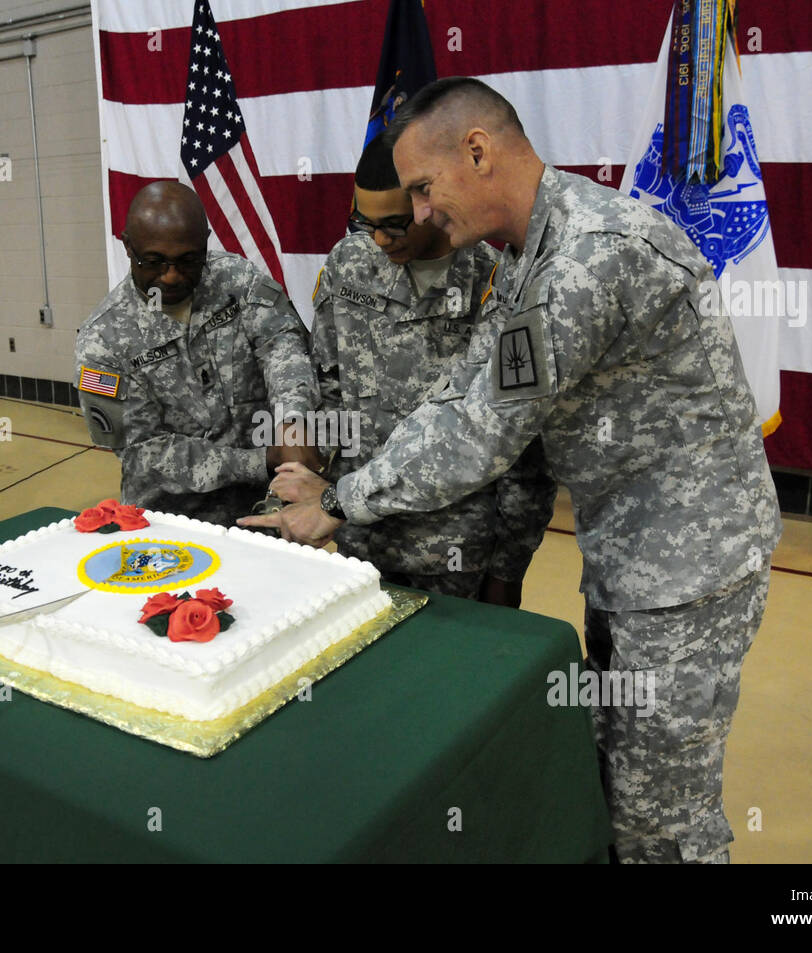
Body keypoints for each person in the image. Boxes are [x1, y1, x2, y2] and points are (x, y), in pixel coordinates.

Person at [241, 78, 782, 864]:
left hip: (686, 574)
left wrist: (342, 501)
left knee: (664, 825)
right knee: (615, 778)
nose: (418, 212)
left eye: (424, 188)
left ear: (478, 150)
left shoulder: (589, 259)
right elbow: (462, 390)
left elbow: (480, 428)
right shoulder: (533, 251)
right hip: (635, 560)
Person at [313, 135, 555, 602]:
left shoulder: (497, 282)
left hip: (453, 552)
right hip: (355, 541)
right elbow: (328, 383)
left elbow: (524, 452)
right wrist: (309, 470)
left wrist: (509, 568)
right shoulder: (349, 264)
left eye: (395, 225)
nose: (379, 240)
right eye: (366, 222)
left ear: (429, 201)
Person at [74, 181, 319, 527]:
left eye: (188, 261)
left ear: (205, 242)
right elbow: (147, 453)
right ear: (128, 246)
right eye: (154, 262)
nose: (171, 276)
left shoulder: (238, 281)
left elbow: (282, 345)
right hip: (170, 522)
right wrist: (261, 459)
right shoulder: (103, 341)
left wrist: (294, 420)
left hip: (265, 509)